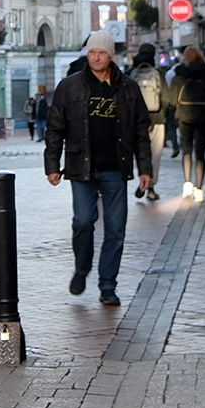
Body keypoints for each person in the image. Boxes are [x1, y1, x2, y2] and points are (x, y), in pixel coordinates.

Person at [44, 31, 152, 307]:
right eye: (91, 52)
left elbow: (141, 131)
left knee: (116, 229)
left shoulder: (128, 87)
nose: (95, 57)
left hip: (116, 168)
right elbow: (55, 128)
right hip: (81, 167)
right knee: (82, 221)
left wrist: (145, 169)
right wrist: (52, 164)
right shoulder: (70, 87)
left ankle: (107, 285)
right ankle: (82, 268)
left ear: (110, 55)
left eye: (101, 53)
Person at [172, 46, 205, 203]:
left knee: (186, 149)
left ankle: (187, 183)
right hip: (203, 116)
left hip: (184, 115)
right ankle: (199, 189)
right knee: (200, 152)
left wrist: (177, 110)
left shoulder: (180, 74)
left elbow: (172, 96)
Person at [126, 43, 169, 201]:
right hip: (157, 118)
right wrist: (163, 113)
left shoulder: (131, 74)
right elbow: (166, 98)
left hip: (135, 120)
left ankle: (140, 178)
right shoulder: (158, 73)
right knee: (155, 154)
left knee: (137, 152)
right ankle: (150, 186)